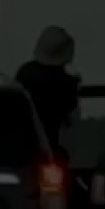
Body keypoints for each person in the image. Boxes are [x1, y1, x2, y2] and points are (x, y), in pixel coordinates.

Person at [15, 26, 81, 160]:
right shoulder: (65, 83)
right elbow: (70, 119)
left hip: (22, 145)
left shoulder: (25, 73)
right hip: (51, 147)